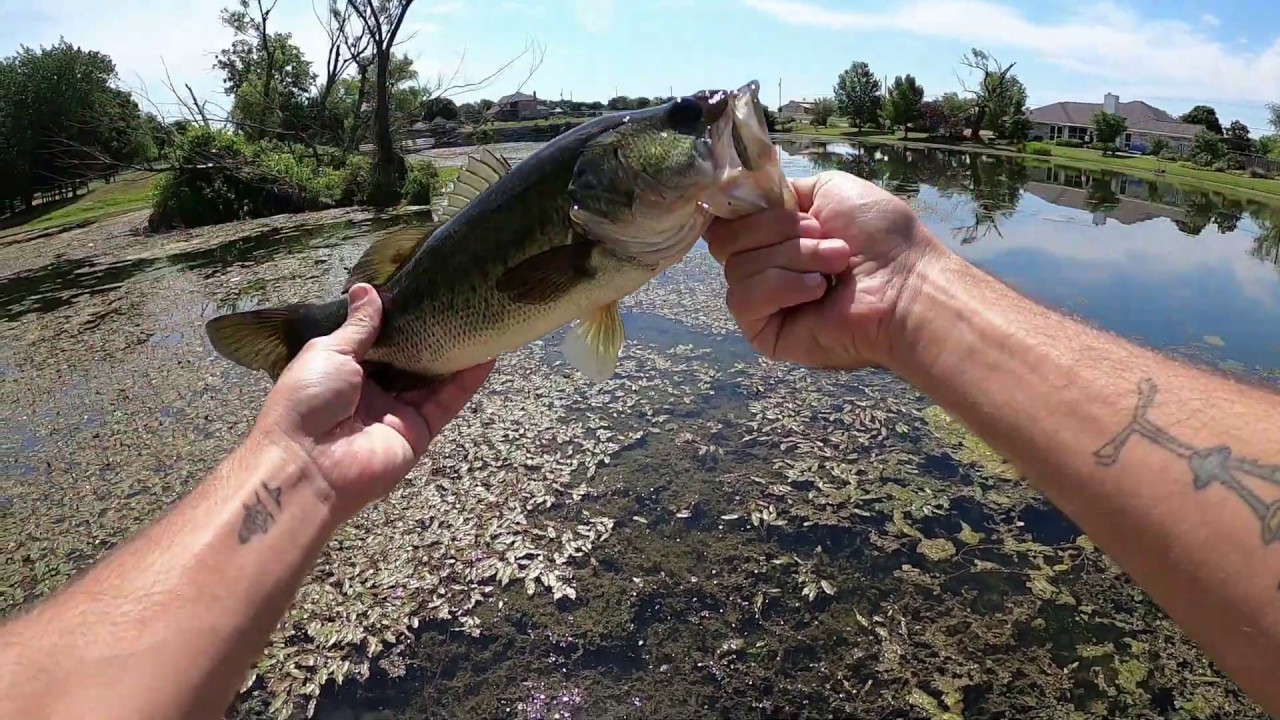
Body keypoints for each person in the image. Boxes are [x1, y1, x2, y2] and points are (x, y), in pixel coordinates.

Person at [0, 169, 1277, 718]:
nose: (715, 129)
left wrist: (912, 297)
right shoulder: (570, 234)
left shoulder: (628, 225)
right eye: (681, 127)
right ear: (609, 186)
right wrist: (301, 441)